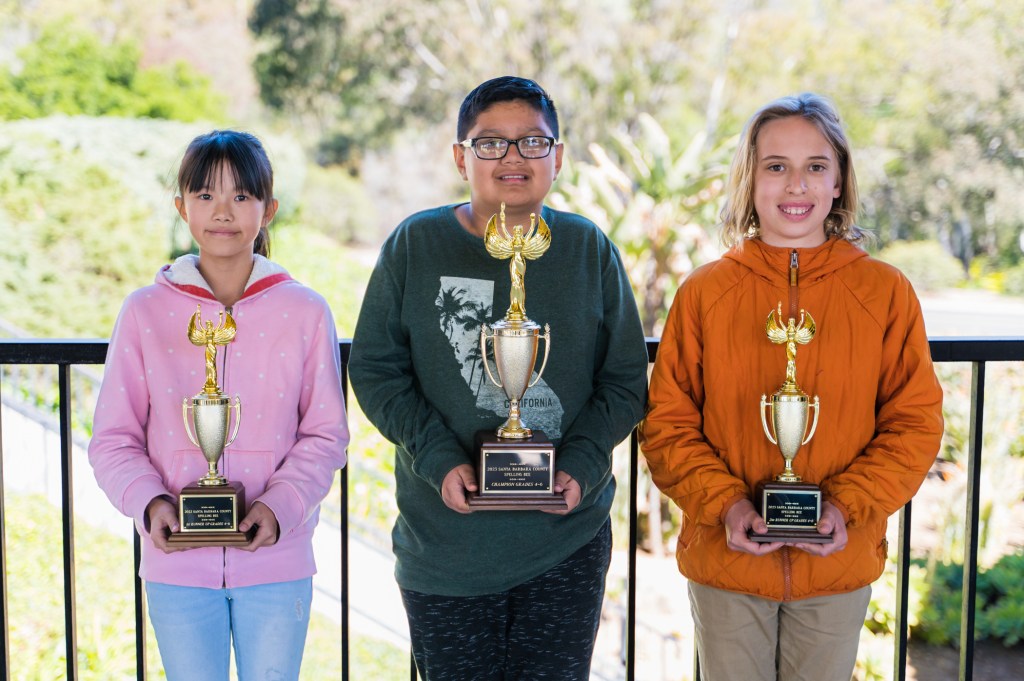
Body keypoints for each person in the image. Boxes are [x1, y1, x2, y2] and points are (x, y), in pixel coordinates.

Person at [349, 76, 648, 680]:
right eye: (490, 143)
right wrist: (437, 457)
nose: (512, 158)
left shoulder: (589, 249)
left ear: (557, 158)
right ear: (461, 157)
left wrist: (583, 464)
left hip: (563, 543)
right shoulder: (416, 243)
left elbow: (623, 380)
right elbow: (377, 370)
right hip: (446, 547)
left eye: (532, 143)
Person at [639, 93, 944, 681]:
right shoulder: (703, 293)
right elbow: (668, 424)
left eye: (816, 167)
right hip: (727, 561)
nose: (795, 185)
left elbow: (915, 422)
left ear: (839, 183)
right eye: (776, 166)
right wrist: (726, 506)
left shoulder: (885, 291)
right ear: (750, 182)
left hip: (837, 560)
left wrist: (846, 507)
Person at [88, 130, 348, 681]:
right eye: (205, 195)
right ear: (181, 206)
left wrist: (279, 508)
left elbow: (326, 434)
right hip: (176, 566)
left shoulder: (305, 311)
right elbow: (113, 438)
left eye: (242, 196)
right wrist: (150, 504)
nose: (223, 212)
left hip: (277, 562)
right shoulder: (143, 311)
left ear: (268, 209)